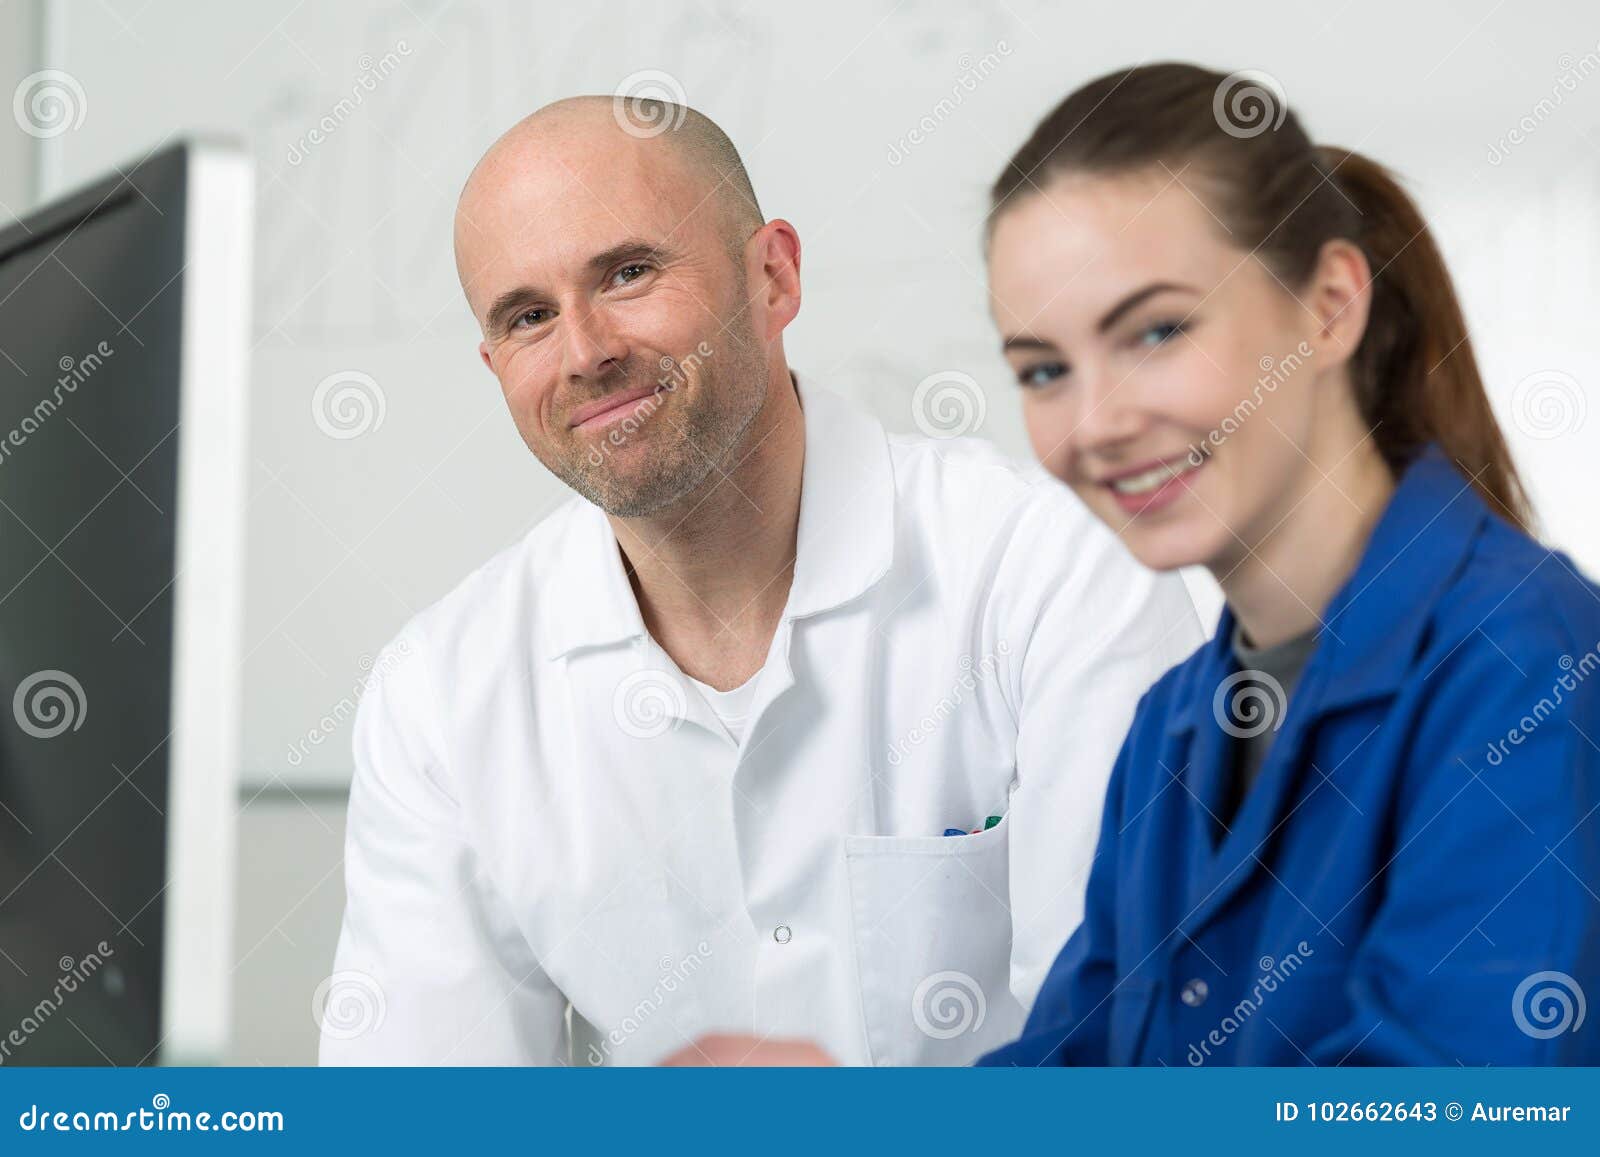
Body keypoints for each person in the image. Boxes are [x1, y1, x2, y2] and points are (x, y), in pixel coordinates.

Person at [320, 95, 1201, 1066]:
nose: (585, 351)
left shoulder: (1054, 570)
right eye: (529, 317)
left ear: (772, 277)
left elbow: (1137, 1066)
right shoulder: (440, 694)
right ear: (494, 365)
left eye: (628, 273)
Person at [975, 62, 1600, 1066]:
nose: (1095, 423)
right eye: (1044, 369)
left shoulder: (1528, 666)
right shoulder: (1173, 726)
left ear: (1329, 306)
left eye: (1157, 330)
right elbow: (1076, 1076)